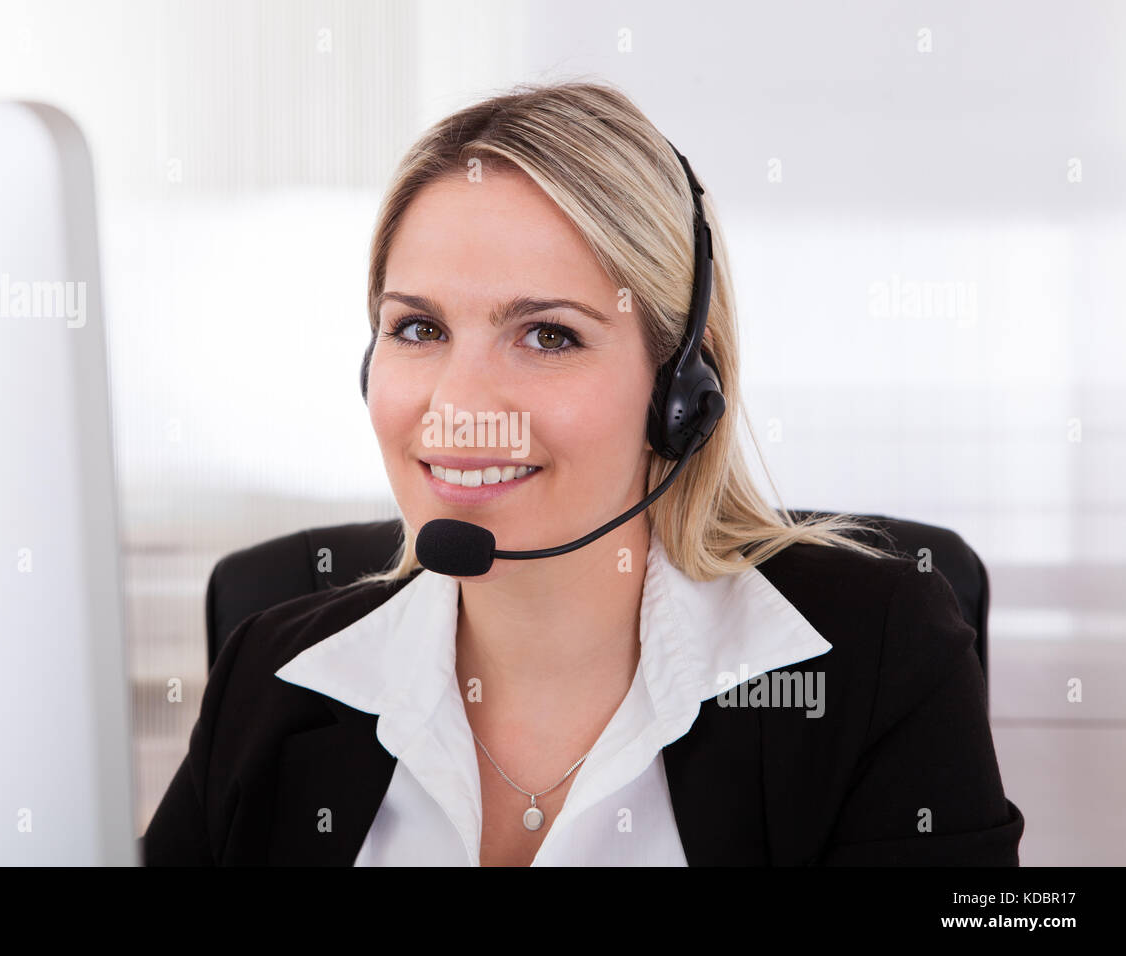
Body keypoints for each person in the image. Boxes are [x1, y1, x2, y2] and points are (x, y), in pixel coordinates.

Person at [142, 79, 1023, 866]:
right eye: (419, 328)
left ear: (682, 390)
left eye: (548, 335)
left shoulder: (874, 658)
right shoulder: (273, 674)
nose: (460, 404)